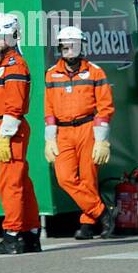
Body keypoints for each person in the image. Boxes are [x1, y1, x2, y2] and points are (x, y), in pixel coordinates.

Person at [44, 25, 116, 239]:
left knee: (88, 178)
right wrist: (50, 138)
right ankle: (102, 213)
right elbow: (49, 109)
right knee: (65, 178)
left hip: (87, 129)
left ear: (81, 46)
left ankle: (87, 224)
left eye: (73, 46)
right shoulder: (51, 75)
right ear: (60, 48)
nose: (69, 51)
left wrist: (101, 140)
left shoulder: (95, 72)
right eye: (65, 47)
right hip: (63, 133)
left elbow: (105, 107)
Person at [0, 13, 41, 254]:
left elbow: (14, 105)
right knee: (22, 182)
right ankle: (29, 233)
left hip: (11, 127)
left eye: (0, 36)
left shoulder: (14, 65)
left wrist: (5, 134)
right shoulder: (3, 64)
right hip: (4, 126)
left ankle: (12, 234)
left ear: (13, 35)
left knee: (11, 183)